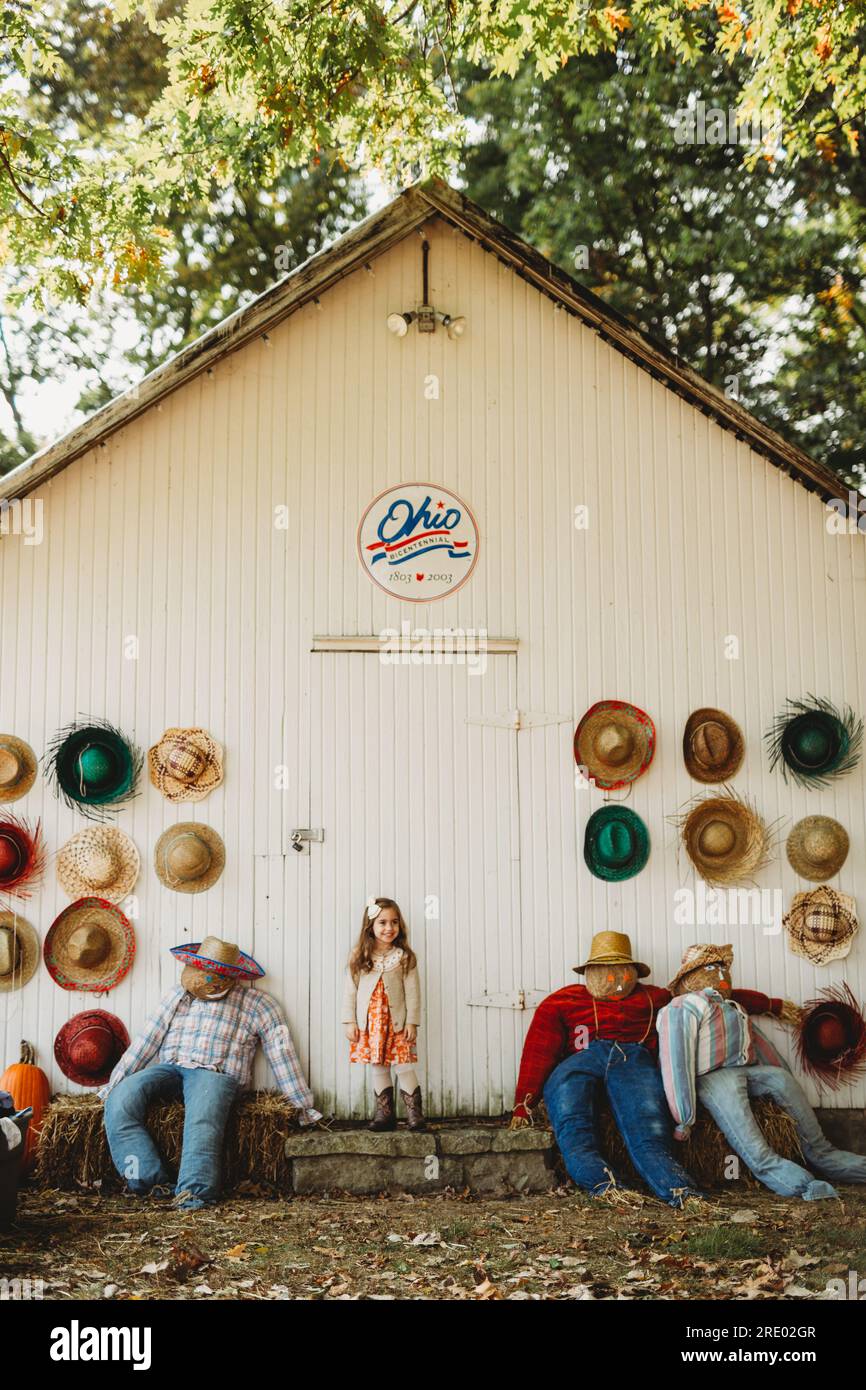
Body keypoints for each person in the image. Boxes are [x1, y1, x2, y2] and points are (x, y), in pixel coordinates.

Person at [101, 936, 320, 1209]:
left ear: (230, 975)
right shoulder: (179, 995)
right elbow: (148, 1038)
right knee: (122, 1099)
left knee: (203, 1119)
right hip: (171, 1067)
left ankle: (193, 1194)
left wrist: (302, 1107)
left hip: (214, 1074)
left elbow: (281, 1052)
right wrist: (115, 1083)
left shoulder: (258, 1004)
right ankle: (148, 1181)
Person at [658, 942, 866, 1200]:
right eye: (712, 968)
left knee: (780, 1079)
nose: (722, 975)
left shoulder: (733, 1007)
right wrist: (684, 1116)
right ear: (689, 977)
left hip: (744, 1068)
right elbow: (676, 1057)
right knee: (750, 1138)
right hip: (712, 1076)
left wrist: (782, 1074)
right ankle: (799, 1185)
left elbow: (757, 1042)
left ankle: (827, 1157)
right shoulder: (682, 1007)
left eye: (723, 968)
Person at [510, 931, 701, 1206]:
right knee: (573, 1125)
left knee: (648, 1128)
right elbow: (539, 1051)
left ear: (632, 972)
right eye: (604, 971)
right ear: (589, 973)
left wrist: (769, 1004)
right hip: (580, 1061)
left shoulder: (654, 998)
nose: (613, 979)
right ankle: (606, 1187)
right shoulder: (563, 1001)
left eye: (619, 971)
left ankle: (681, 1191)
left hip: (632, 1060)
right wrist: (523, 1103)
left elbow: (704, 1000)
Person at [342, 896, 424, 1131]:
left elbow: (413, 993)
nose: (389, 928)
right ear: (370, 926)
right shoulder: (360, 955)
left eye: (394, 922)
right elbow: (350, 991)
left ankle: (414, 1114)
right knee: (378, 1065)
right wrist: (350, 1021)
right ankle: (384, 1115)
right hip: (371, 1024)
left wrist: (412, 1022)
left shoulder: (404, 957)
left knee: (404, 1065)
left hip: (398, 1023)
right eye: (383, 922)